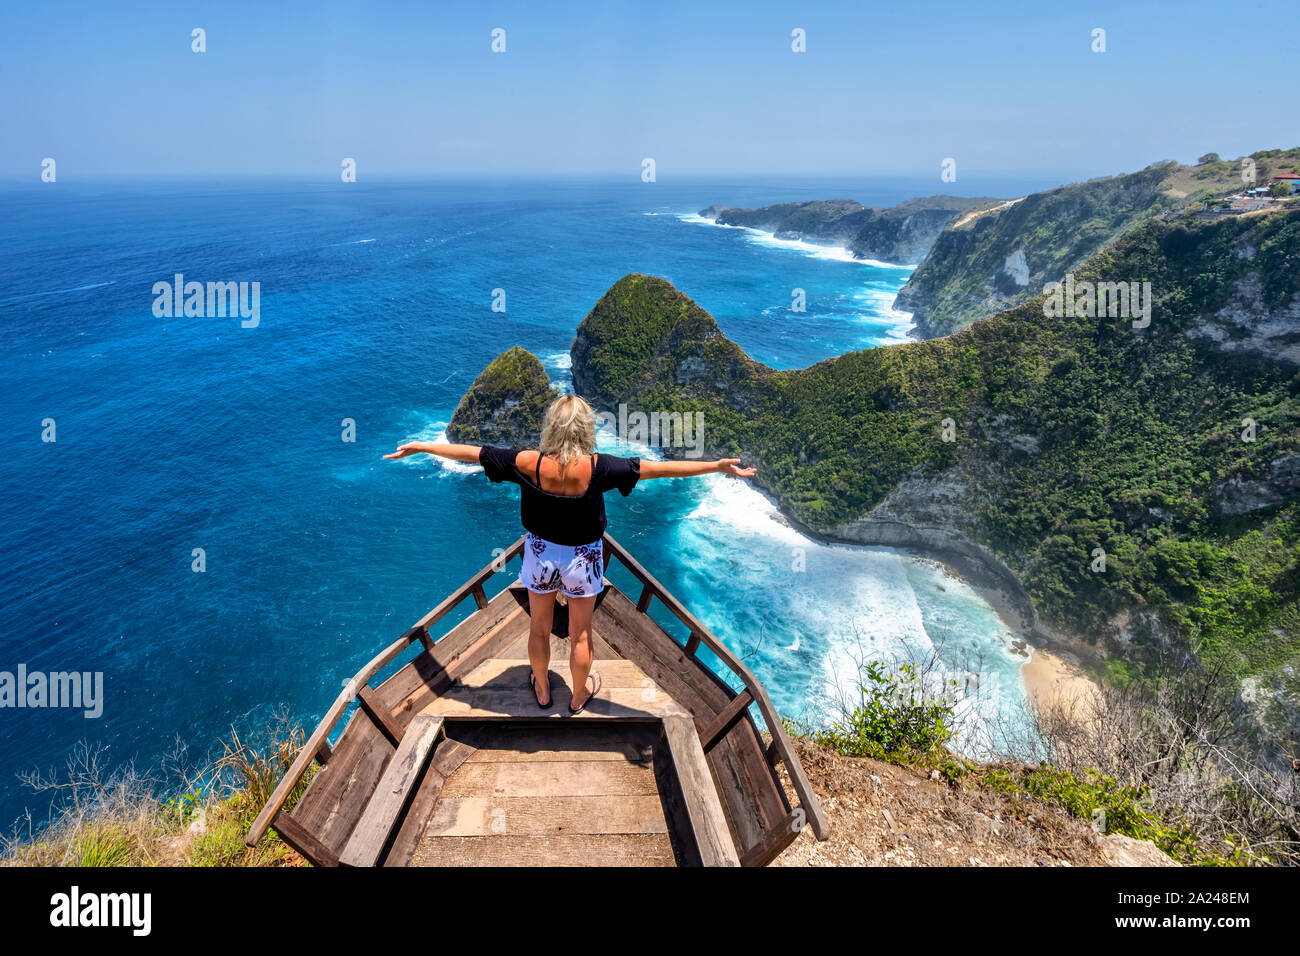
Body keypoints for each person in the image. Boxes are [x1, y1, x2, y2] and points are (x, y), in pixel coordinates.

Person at [384, 394, 755, 713]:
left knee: (539, 628)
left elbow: (472, 453)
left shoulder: (528, 463)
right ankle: (578, 696)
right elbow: (662, 470)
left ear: (552, 428)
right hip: (584, 560)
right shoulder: (599, 468)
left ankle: (542, 690)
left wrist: (423, 446)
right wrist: (717, 467)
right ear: (585, 429)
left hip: (541, 555)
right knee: (580, 635)